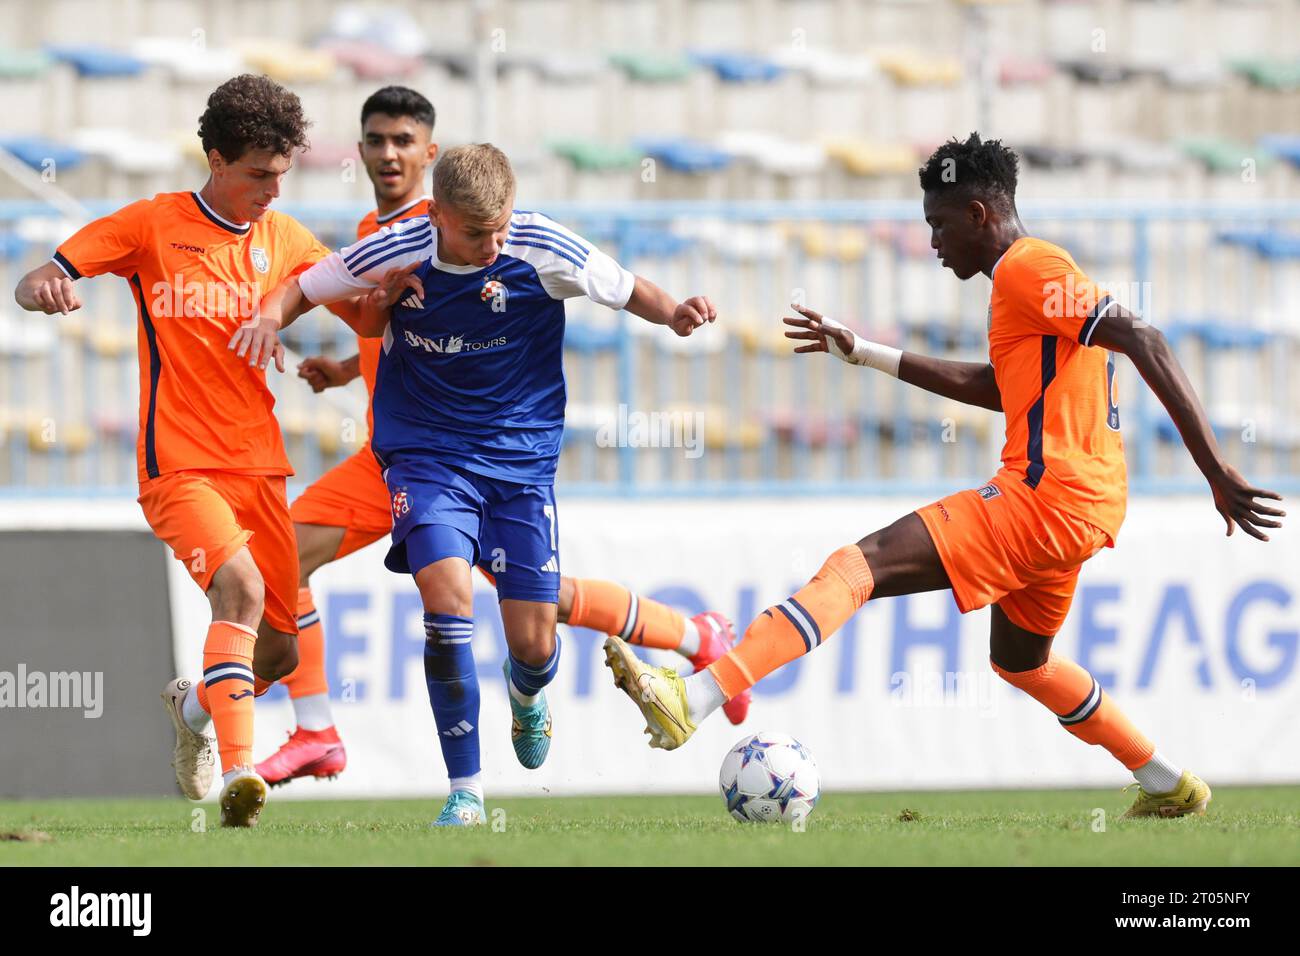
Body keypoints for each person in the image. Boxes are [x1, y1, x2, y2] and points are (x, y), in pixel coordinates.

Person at [602, 132, 1286, 819]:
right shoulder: (1026, 283)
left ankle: (692, 698)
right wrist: (867, 353)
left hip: (1046, 498)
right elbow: (1002, 389)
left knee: (857, 565)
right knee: (1022, 663)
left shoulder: (1029, 268)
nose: (932, 243)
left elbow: (1145, 337)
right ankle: (1170, 781)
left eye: (938, 224)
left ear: (980, 214)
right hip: (1086, 511)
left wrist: (1215, 469)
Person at [257, 89, 750, 790]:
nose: (389, 152)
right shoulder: (379, 235)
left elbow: (432, 322)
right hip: (403, 455)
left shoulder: (504, 240)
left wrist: (672, 312)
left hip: (485, 450)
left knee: (536, 609)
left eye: (403, 140)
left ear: (430, 157)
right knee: (283, 557)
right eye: (376, 140)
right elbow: (377, 327)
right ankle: (315, 730)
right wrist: (344, 366)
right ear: (361, 150)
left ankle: (699, 637)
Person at [12, 75, 351, 826]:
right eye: (258, 175)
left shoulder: (289, 241)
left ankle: (193, 705)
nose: (271, 189)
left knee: (278, 658)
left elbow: (355, 297)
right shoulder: (151, 224)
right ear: (216, 158)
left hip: (262, 464)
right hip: (181, 463)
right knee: (240, 591)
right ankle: (240, 774)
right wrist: (47, 289)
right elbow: (38, 278)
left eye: (281, 176)